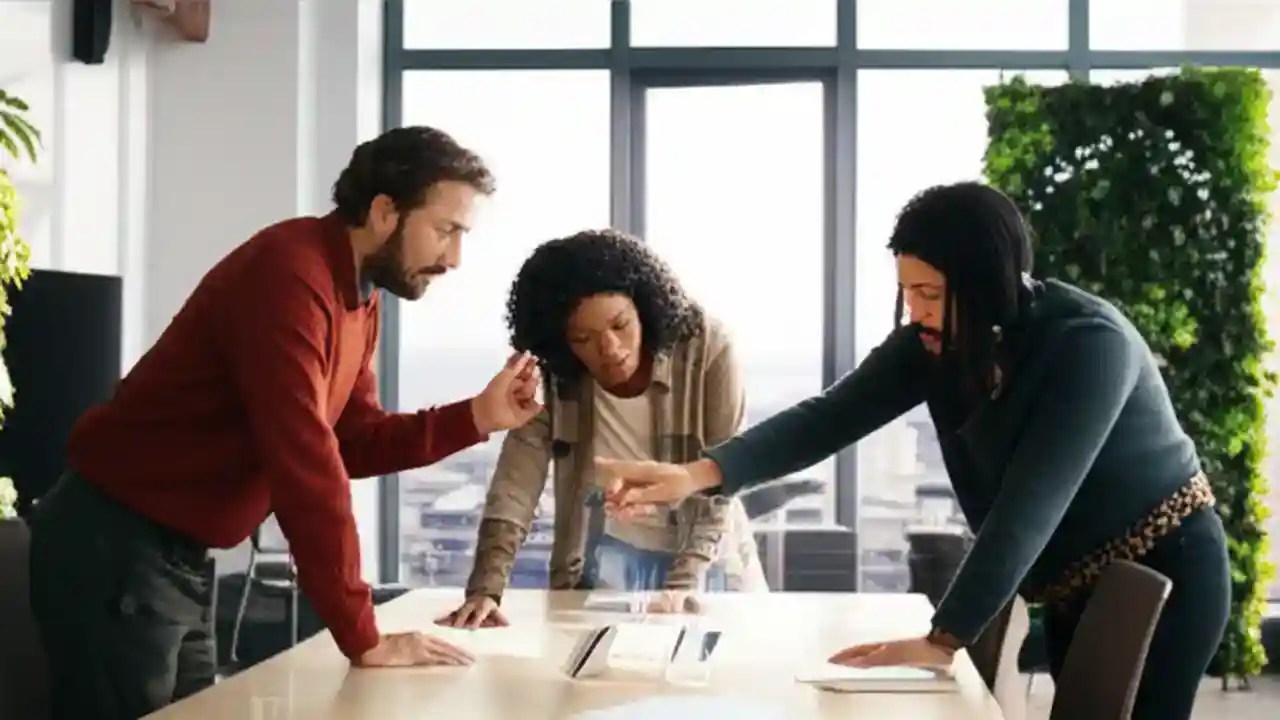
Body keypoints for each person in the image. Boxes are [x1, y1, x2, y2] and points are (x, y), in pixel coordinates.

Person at [598, 182, 1231, 720]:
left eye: (930, 292)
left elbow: (1029, 505)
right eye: (907, 291)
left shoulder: (1090, 345)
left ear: (983, 284)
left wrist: (945, 637)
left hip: (1167, 570)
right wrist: (695, 474)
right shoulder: (935, 342)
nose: (916, 310)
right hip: (1073, 585)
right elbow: (828, 418)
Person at [27, 126, 545, 720]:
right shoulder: (289, 276)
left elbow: (352, 439)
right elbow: (307, 463)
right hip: (115, 547)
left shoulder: (358, 296)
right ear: (384, 211)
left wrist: (477, 417)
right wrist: (363, 634)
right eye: (447, 230)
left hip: (176, 556)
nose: (454, 258)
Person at [438, 230, 766, 629]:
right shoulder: (554, 375)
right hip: (608, 557)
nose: (610, 348)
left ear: (644, 307)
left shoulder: (709, 347)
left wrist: (683, 583)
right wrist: (486, 589)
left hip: (709, 556)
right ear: (562, 343)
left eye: (620, 325)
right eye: (584, 338)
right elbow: (516, 481)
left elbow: (721, 473)